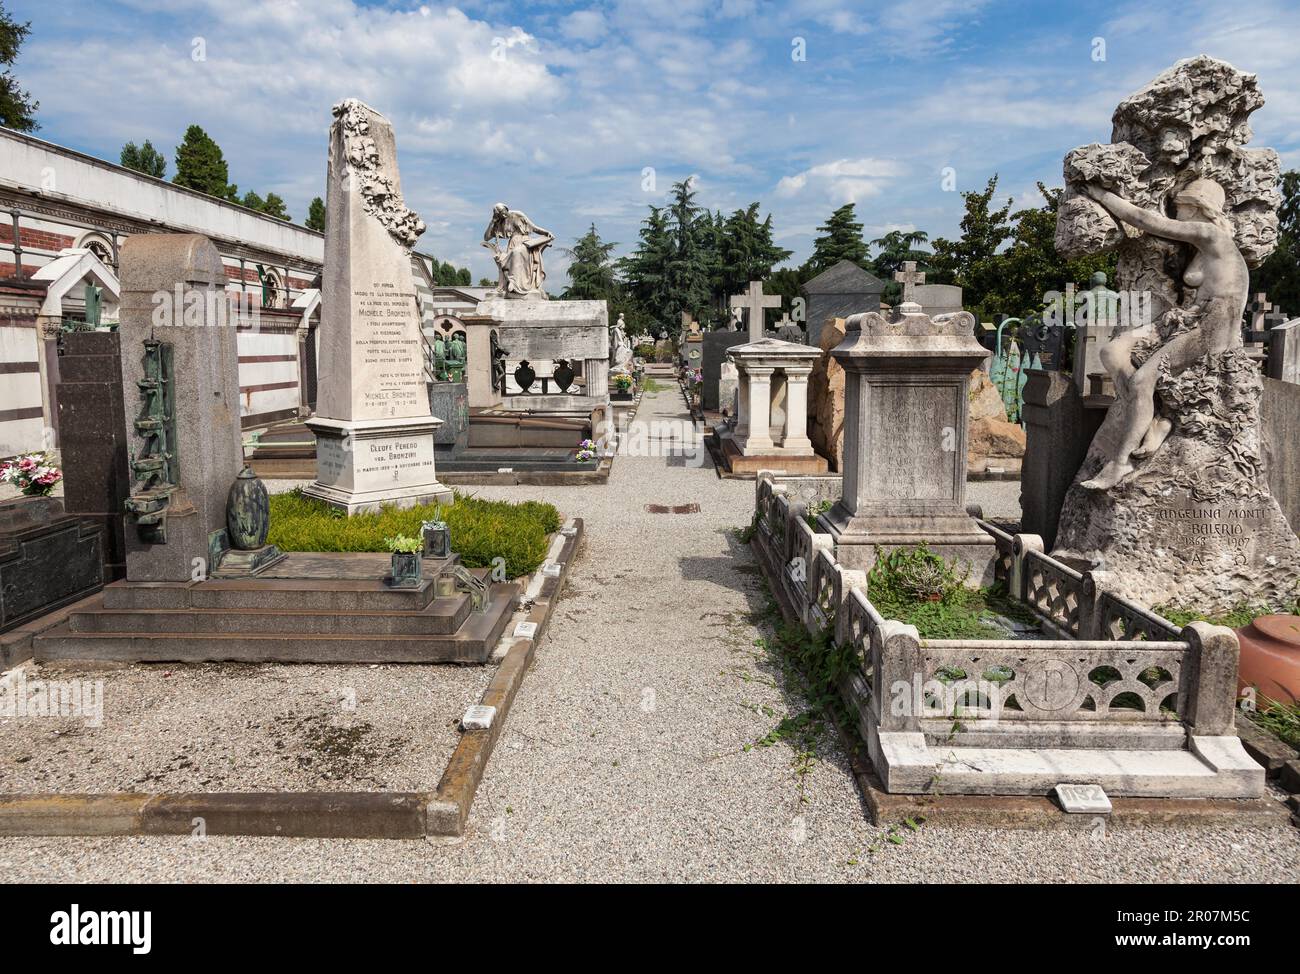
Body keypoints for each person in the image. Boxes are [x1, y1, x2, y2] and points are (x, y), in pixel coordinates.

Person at [1077, 178, 1247, 490]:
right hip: (1187, 318)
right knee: (1112, 353)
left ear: (1197, 206)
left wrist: (1103, 196)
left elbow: (1147, 221)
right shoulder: (1204, 244)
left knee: (1143, 379)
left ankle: (1120, 462)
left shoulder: (1210, 234)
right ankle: (1155, 416)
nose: (1174, 209)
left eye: (1180, 204)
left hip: (1213, 327)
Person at [482, 203, 554, 296]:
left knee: (516, 252)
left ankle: (513, 282)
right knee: (512, 254)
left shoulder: (517, 214)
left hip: (525, 243)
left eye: (503, 211)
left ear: (506, 209)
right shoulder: (499, 222)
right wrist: (493, 221)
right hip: (512, 244)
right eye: (499, 213)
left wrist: (546, 232)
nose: (503, 214)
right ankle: (511, 283)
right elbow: (486, 237)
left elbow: (533, 227)